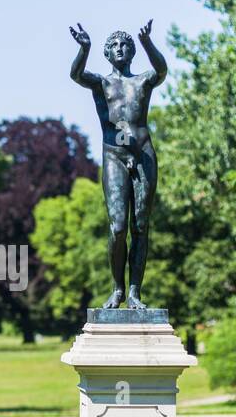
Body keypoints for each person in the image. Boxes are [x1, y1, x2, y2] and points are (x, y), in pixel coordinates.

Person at [68, 19, 168, 310]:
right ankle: (117, 289)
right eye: (113, 46)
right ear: (107, 54)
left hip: (143, 154)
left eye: (125, 44)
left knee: (141, 226)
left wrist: (148, 42)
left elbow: (161, 71)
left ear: (132, 52)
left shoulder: (143, 81)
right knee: (117, 227)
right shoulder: (102, 83)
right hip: (114, 155)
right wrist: (84, 48)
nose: (120, 48)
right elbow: (76, 75)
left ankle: (135, 291)